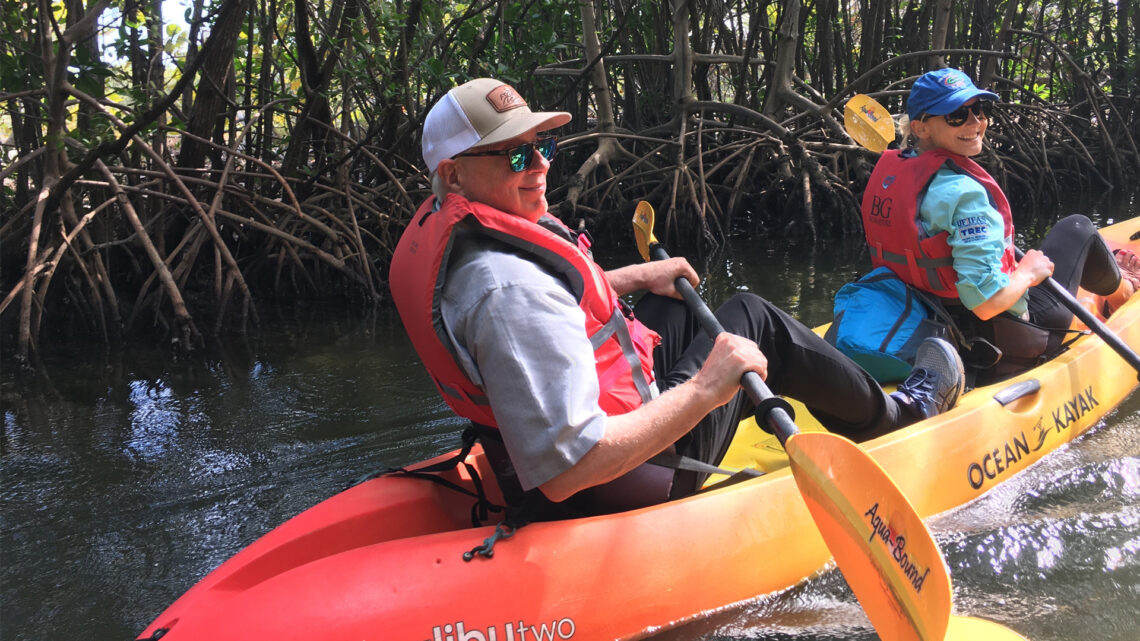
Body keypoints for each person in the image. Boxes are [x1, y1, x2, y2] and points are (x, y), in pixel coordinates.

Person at [390, 78, 964, 522]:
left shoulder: (459, 234)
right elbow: (570, 472)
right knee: (751, 320)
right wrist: (705, 390)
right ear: (455, 174)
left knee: (675, 308)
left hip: (546, 448)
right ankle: (898, 414)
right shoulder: (506, 289)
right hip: (626, 480)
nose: (539, 165)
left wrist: (636, 276)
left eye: (542, 146)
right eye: (514, 156)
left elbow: (551, 305)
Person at [861, 68, 1134, 383]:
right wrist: (1027, 273)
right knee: (1078, 227)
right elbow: (987, 304)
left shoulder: (890, 178)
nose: (975, 123)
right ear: (921, 128)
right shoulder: (966, 195)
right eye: (957, 116)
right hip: (1008, 338)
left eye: (979, 110)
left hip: (930, 322)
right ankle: (1123, 291)